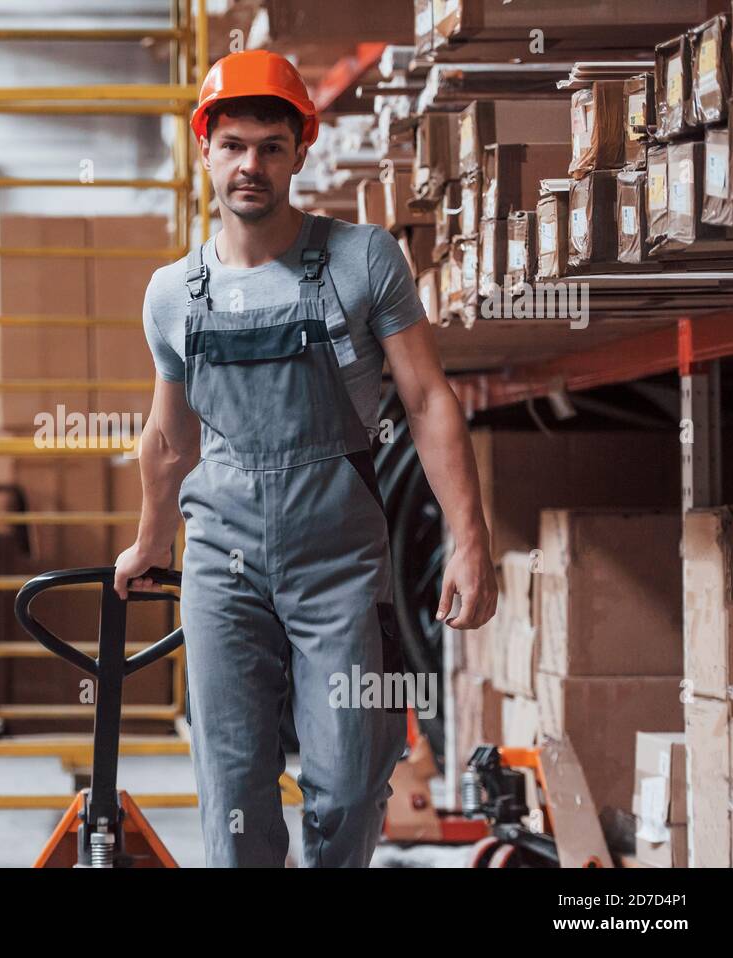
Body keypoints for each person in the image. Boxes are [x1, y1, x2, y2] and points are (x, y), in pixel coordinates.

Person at [112, 50, 498, 867]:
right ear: (206, 149)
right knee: (234, 790)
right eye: (233, 145)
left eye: (271, 147)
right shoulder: (173, 293)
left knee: (352, 782)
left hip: (339, 558)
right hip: (222, 559)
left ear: (300, 152)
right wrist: (150, 541)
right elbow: (171, 439)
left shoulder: (363, 259)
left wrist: (469, 541)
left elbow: (428, 401)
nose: (250, 165)